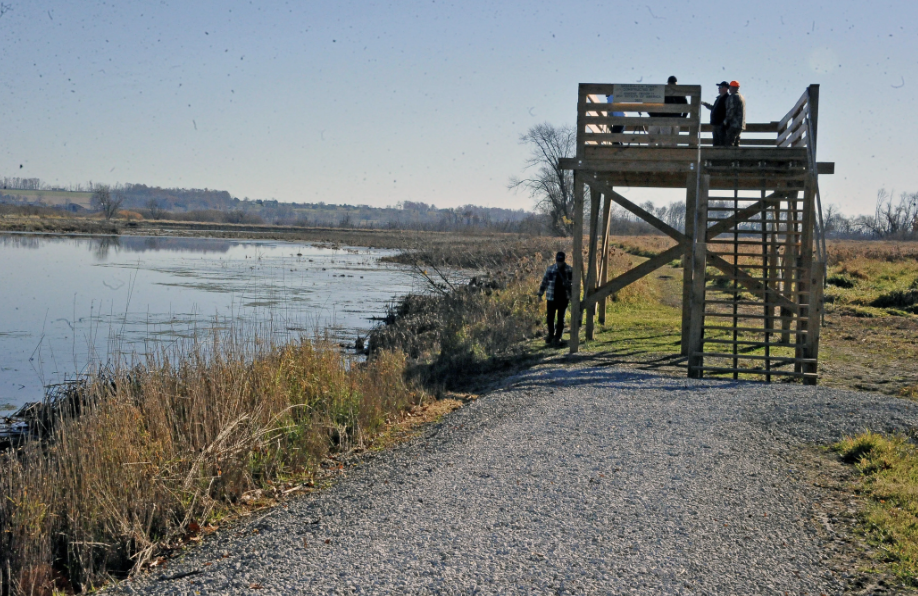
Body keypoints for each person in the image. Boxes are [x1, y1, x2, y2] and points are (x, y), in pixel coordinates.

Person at [537, 251, 574, 345]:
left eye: (561, 261)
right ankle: (551, 335)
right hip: (551, 297)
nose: (559, 263)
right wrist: (540, 294)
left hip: (563, 298)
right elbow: (544, 282)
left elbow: (574, 284)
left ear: (564, 260)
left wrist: (573, 295)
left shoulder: (569, 270)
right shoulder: (550, 269)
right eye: (558, 261)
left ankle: (558, 336)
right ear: (556, 260)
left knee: (561, 319)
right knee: (550, 318)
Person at [647, 76, 688, 145]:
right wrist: (683, 117)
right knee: (673, 140)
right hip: (676, 118)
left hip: (665, 118)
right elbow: (686, 106)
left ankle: (665, 154)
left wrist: (655, 115)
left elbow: (653, 105)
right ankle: (672, 154)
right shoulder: (680, 92)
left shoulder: (663, 92)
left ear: (668, 83)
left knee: (665, 140)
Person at [702, 81, 730, 146]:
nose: (718, 88)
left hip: (721, 125)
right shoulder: (718, 98)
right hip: (715, 124)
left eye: (720, 87)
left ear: (725, 89)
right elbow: (714, 108)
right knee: (715, 142)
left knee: (721, 142)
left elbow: (728, 112)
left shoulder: (727, 98)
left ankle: (721, 156)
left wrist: (724, 122)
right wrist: (705, 104)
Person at [724, 80, 746, 147]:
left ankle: (729, 157)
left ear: (733, 88)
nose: (729, 89)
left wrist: (726, 120)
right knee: (736, 144)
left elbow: (731, 110)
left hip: (734, 124)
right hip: (740, 125)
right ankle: (736, 157)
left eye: (730, 87)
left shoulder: (733, 97)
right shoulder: (741, 97)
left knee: (729, 143)